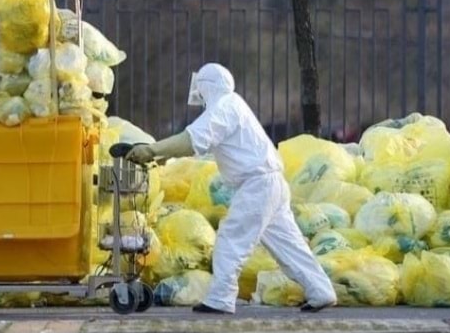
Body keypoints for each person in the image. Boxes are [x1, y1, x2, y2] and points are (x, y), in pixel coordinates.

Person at [127, 64, 338, 316]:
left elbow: (191, 140)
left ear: (207, 86)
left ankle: (220, 298)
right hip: (271, 183)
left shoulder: (223, 107)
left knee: (230, 239)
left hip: (257, 184)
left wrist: (151, 150)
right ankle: (321, 290)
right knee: (288, 244)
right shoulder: (233, 105)